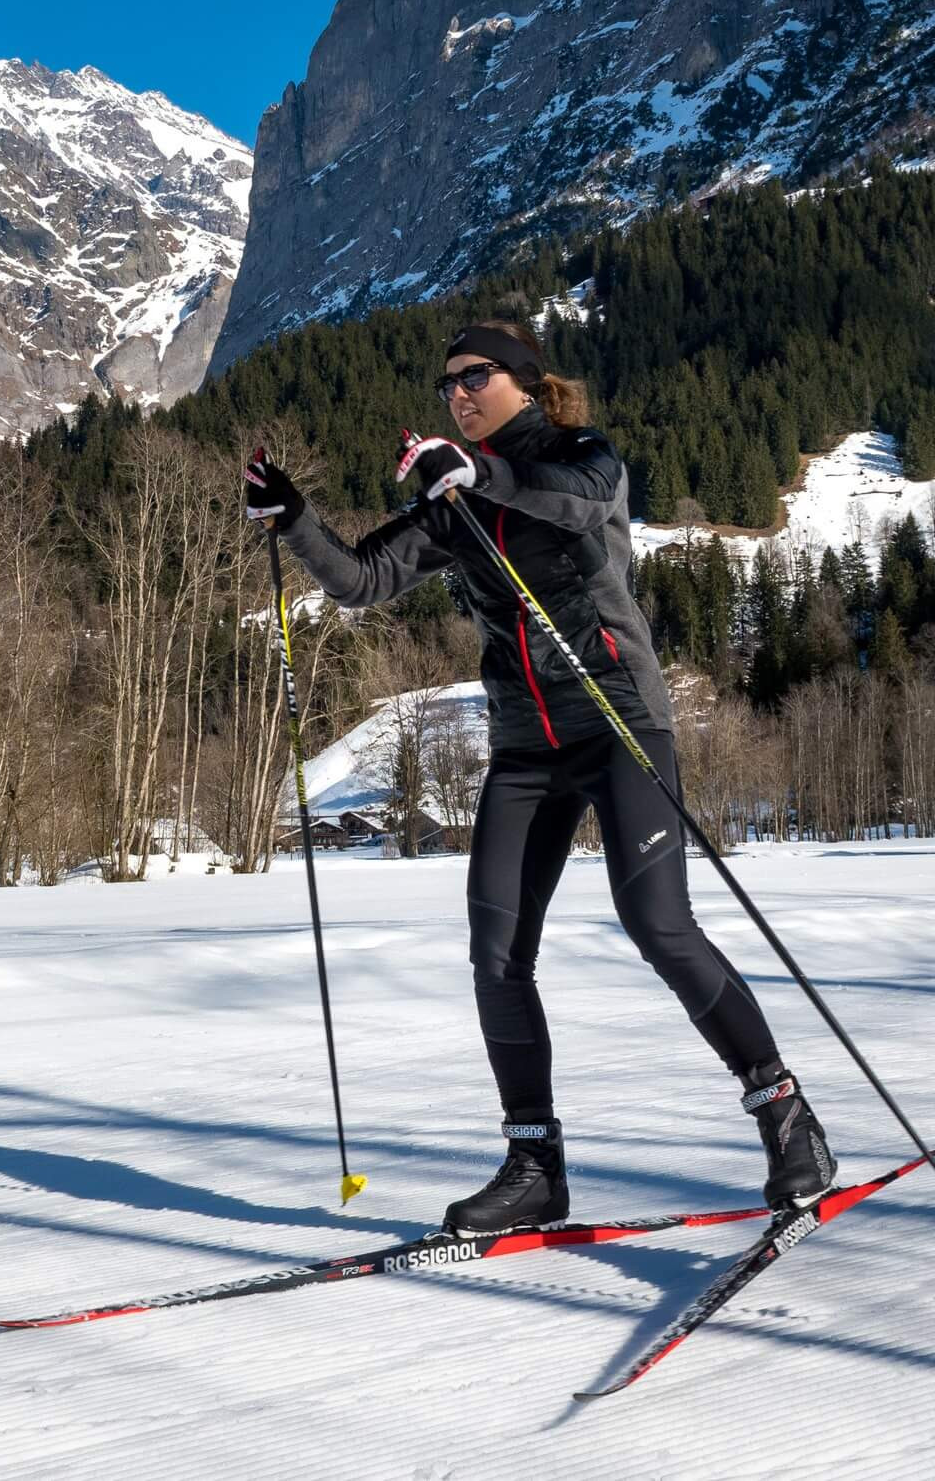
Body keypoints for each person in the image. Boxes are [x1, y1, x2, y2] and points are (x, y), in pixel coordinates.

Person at [243, 319, 835, 1232]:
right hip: (526, 742)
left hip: (618, 722)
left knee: (659, 923)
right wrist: (297, 520)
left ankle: (784, 1111)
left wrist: (486, 476)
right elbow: (364, 579)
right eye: (446, 385)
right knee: (496, 953)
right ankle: (535, 1165)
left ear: (523, 379)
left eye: (473, 376)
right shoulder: (453, 497)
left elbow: (571, 500)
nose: (456, 394)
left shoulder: (578, 454)